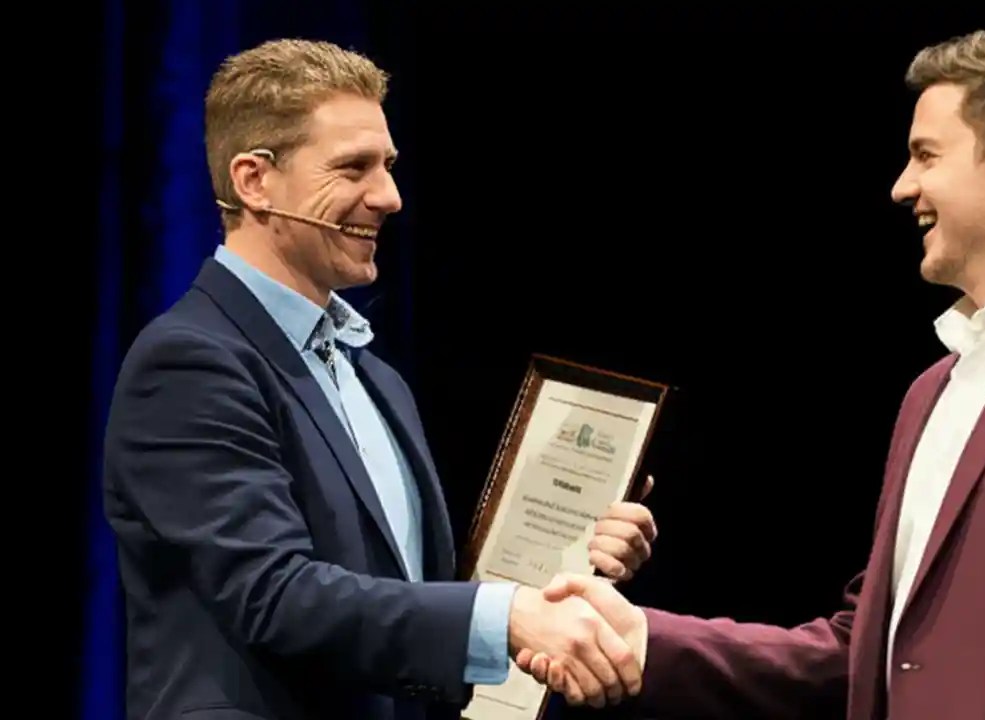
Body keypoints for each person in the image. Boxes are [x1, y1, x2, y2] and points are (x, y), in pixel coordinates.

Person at [516, 27, 985, 720]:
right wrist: (643, 639)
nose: (902, 186)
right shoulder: (933, 392)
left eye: (927, 156)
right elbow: (861, 654)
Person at [101, 38, 657, 720]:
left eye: (388, 166)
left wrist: (566, 570)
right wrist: (508, 616)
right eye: (353, 168)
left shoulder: (376, 378)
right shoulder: (189, 362)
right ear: (254, 181)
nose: (389, 198)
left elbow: (404, 599)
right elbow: (274, 595)